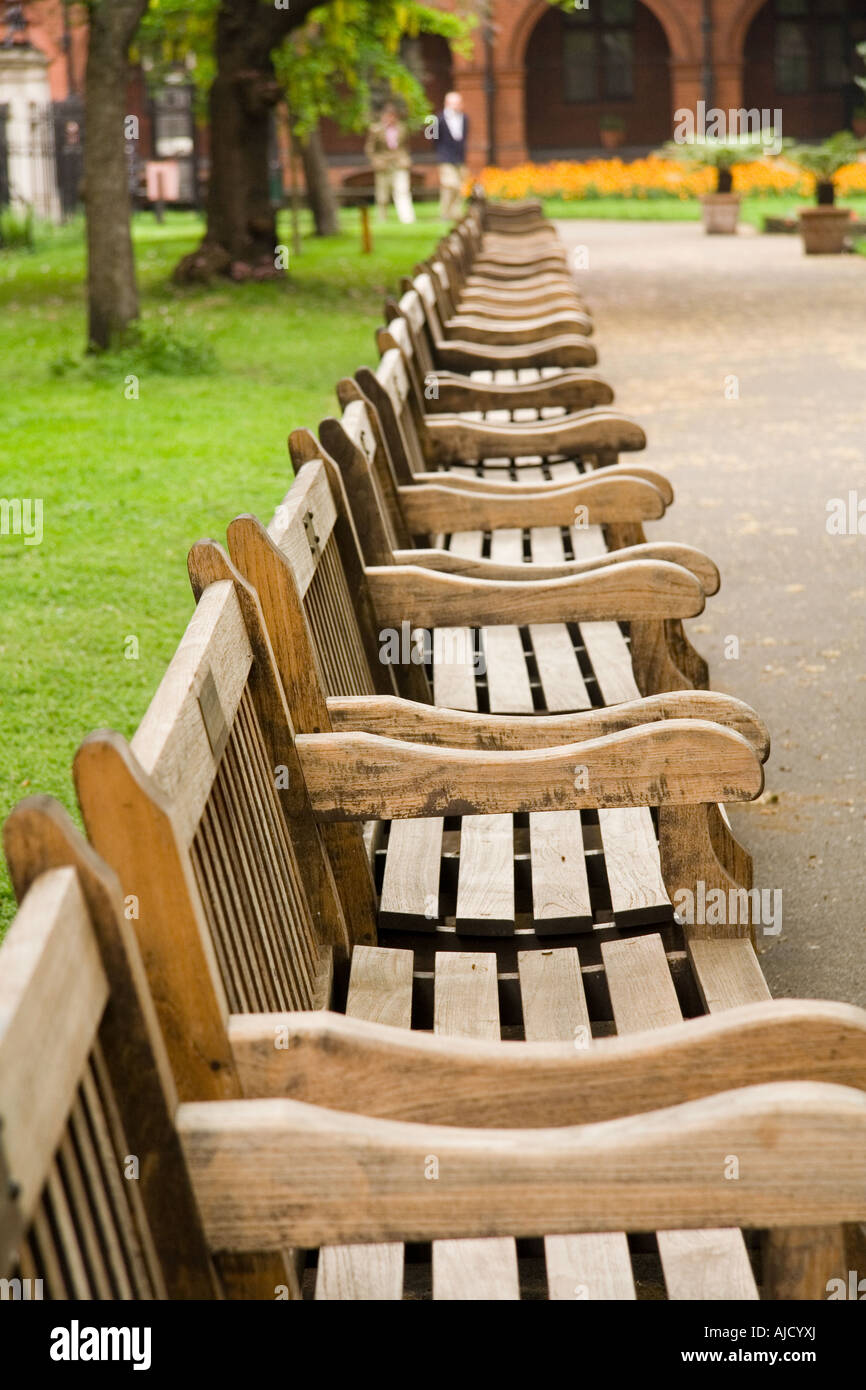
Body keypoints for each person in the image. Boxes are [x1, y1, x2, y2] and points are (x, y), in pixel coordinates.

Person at [364, 102, 415, 224]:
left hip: (399, 163)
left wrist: (405, 158)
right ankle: (382, 217)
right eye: (388, 116)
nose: (390, 119)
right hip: (383, 164)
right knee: (382, 193)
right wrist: (376, 161)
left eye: (393, 116)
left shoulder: (402, 128)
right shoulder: (376, 130)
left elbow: (405, 146)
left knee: (402, 190)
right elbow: (370, 149)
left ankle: (407, 218)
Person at [436, 91, 469, 223]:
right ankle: (445, 213)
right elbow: (434, 140)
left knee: (459, 187)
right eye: (453, 103)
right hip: (445, 158)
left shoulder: (465, 118)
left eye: (458, 103)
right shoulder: (438, 119)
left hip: (460, 158)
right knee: (450, 185)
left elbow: (464, 138)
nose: (456, 106)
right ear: (447, 104)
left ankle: (455, 213)